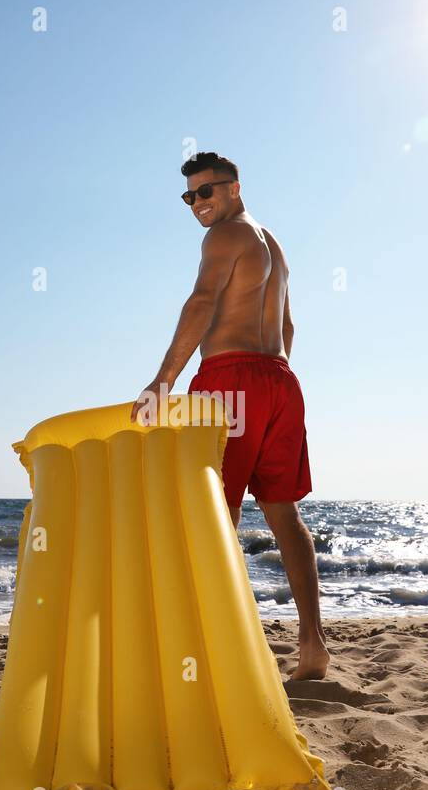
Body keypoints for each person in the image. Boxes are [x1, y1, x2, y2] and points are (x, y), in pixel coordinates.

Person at [129, 151, 329, 681]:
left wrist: (163, 381)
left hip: (230, 379)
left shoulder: (222, 236)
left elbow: (200, 302)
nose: (197, 204)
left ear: (235, 187)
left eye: (206, 192)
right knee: (283, 515)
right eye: (189, 196)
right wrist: (269, 386)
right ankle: (312, 649)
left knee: (215, 513)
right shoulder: (273, 245)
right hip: (281, 382)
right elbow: (288, 327)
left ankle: (224, 648)